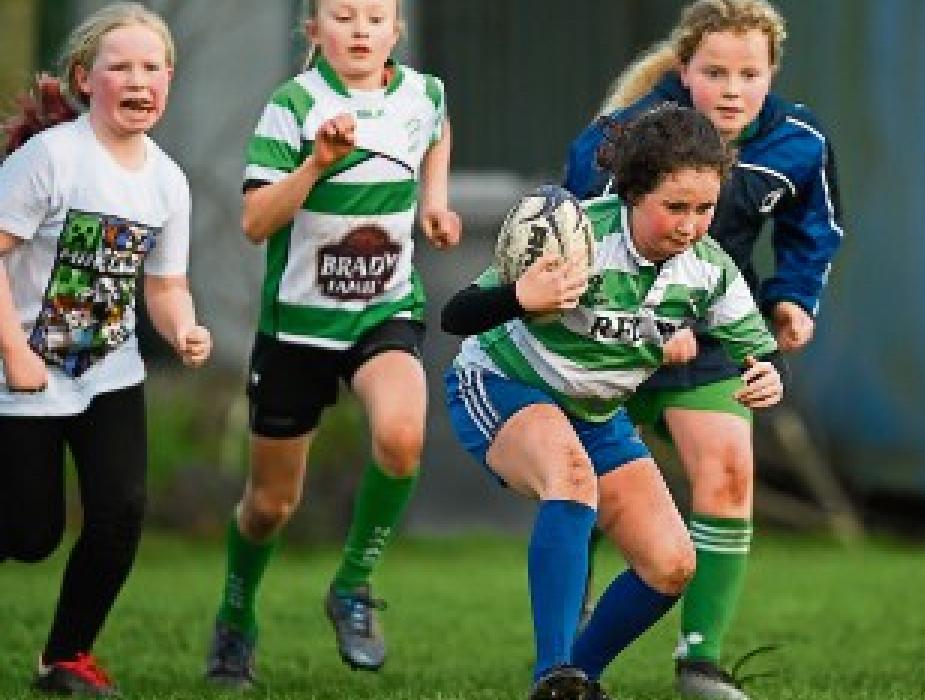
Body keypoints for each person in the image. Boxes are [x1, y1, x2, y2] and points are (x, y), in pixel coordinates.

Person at [442, 105, 783, 700]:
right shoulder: (578, 235)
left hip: (597, 414)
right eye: (674, 207)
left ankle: (579, 679)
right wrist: (522, 295)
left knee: (672, 564)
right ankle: (552, 671)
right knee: (570, 478)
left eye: (704, 209)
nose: (690, 224)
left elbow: (757, 351)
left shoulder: (709, 271)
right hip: (502, 383)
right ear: (630, 193)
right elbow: (456, 316)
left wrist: (765, 375)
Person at [562, 2, 844, 697]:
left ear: (772, 73)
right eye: (714, 70)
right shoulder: (622, 136)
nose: (731, 88)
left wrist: (792, 298)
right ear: (682, 68)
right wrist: (644, 324)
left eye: (750, 73)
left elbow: (817, 228)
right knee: (593, 491)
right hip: (610, 334)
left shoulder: (800, 140)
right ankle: (573, 623)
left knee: (727, 474)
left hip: (716, 330)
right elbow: (574, 230)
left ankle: (700, 660)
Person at [203, 0, 461, 687]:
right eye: (342, 16)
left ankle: (352, 586)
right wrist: (316, 165)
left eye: (375, 17)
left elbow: (436, 130)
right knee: (268, 507)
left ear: (396, 31)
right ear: (313, 30)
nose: (360, 30)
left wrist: (433, 202)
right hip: (298, 329)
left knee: (403, 437)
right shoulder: (293, 105)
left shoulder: (422, 93)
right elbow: (257, 221)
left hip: (384, 312)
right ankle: (235, 620)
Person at [0, 3, 212, 696]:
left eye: (151, 67)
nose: (137, 78)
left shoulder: (167, 181)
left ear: (169, 81)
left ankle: (65, 658)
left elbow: (165, 283)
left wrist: (183, 327)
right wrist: (15, 353)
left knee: (120, 511)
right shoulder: (51, 158)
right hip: (23, 374)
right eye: (119, 66)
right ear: (86, 79)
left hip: (108, 374)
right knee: (30, 535)